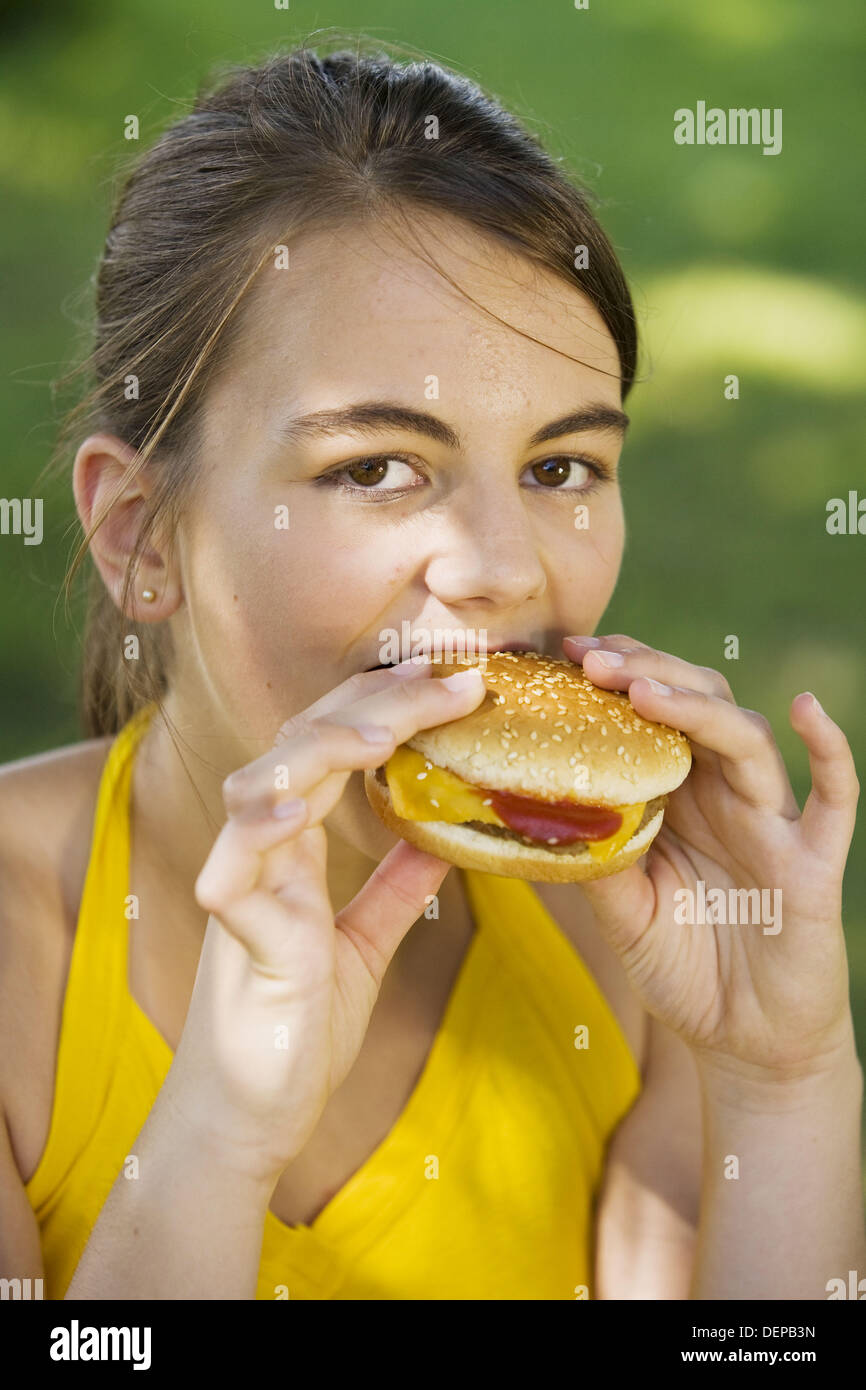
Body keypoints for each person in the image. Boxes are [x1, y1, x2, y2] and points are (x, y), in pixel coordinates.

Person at [0, 42, 862, 1302]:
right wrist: (223, 1135)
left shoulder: (630, 932)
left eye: (560, 467)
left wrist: (779, 1080)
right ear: (139, 532)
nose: (502, 569)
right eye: (374, 467)